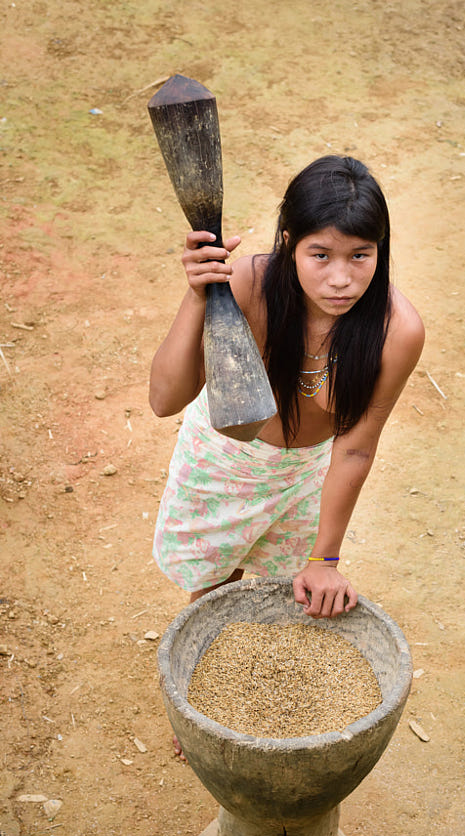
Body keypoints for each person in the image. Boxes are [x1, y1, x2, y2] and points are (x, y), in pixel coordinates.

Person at [149, 154, 424, 622]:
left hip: (306, 476)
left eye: (360, 255)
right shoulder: (248, 286)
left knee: (290, 600)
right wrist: (199, 296)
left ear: (380, 248)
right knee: (215, 591)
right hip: (223, 460)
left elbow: (356, 448)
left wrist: (326, 559)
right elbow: (164, 400)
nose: (341, 280)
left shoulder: (396, 332)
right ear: (289, 242)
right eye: (321, 255)